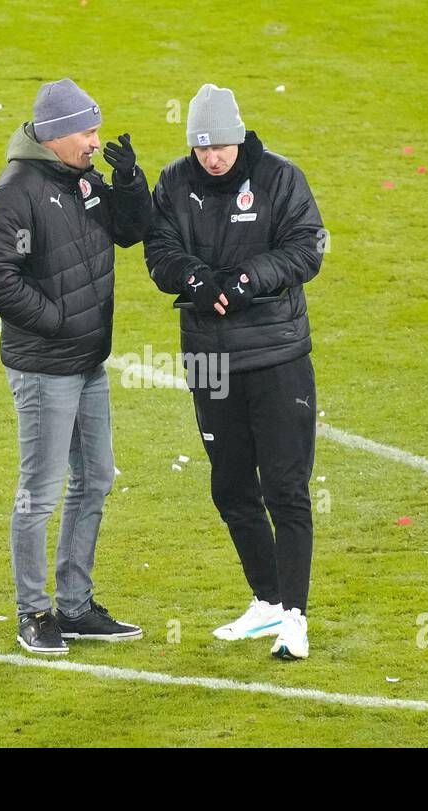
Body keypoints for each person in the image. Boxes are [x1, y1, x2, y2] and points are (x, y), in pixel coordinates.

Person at [0, 79, 152, 654]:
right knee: (41, 491)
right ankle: (33, 612)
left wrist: (129, 184)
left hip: (87, 362)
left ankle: (74, 607)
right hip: (47, 366)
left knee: (95, 478)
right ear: (54, 135)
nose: (96, 141)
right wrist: (56, 319)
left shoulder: (80, 180)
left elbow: (129, 233)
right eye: (88, 132)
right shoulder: (18, 189)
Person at [144, 83, 324, 660]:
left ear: (239, 136)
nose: (212, 158)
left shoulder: (279, 178)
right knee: (229, 484)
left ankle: (295, 617)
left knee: (286, 487)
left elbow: (307, 247)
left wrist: (248, 280)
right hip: (208, 356)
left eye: (220, 146)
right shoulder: (174, 182)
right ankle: (267, 601)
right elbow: (159, 250)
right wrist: (196, 280)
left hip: (275, 356)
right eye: (201, 148)